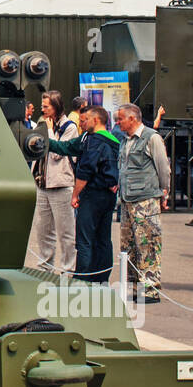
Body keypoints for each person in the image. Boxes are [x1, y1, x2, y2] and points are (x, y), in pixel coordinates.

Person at [48, 106, 119, 284]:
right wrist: (47, 139)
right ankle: (101, 278)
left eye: (84, 120)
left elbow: (86, 170)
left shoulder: (94, 141)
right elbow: (65, 147)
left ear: (96, 120)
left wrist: (75, 195)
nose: (81, 123)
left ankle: (82, 278)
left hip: (93, 195)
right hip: (108, 196)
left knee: (85, 240)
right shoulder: (112, 140)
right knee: (103, 239)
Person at [115, 103, 170, 304]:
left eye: (120, 119)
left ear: (133, 118)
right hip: (128, 200)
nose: (118, 122)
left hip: (146, 201)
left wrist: (165, 193)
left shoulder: (151, 138)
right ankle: (137, 286)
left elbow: (163, 167)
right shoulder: (125, 141)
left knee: (148, 244)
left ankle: (151, 289)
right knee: (129, 246)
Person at [30, 90, 78, 272]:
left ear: (56, 107)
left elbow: (59, 153)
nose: (42, 110)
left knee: (66, 232)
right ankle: (45, 267)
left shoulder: (69, 127)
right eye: (42, 106)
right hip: (41, 184)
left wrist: (49, 132)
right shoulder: (41, 124)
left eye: (46, 107)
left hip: (61, 185)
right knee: (43, 231)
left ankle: (67, 269)